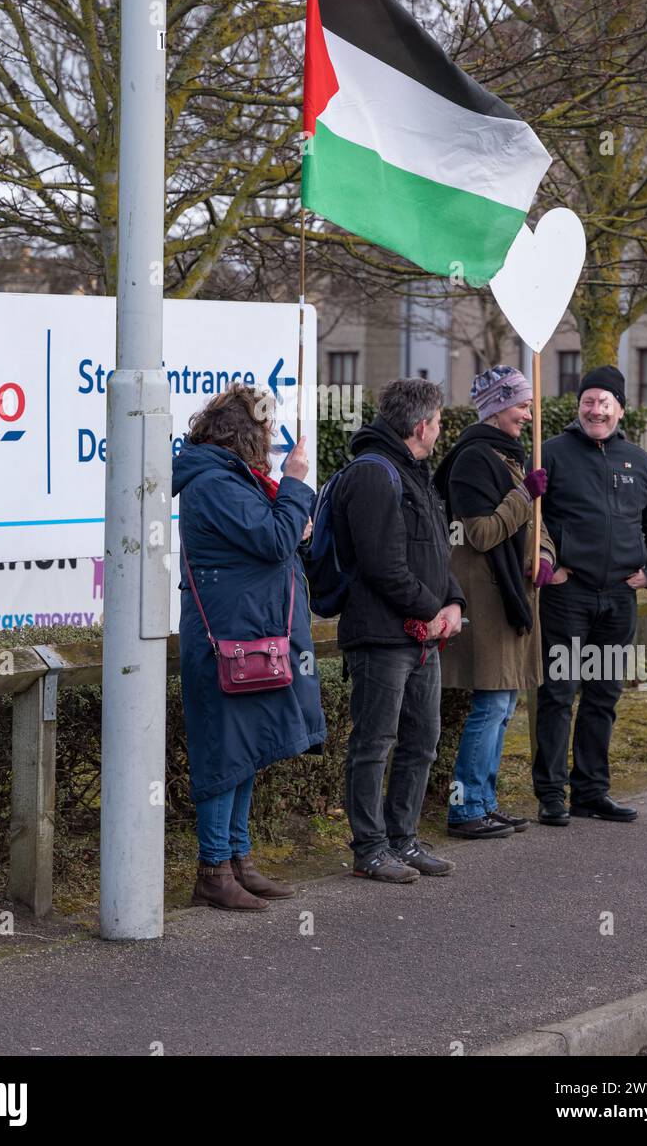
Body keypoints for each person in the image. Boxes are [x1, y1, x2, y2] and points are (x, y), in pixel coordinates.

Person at [172, 384, 325, 910]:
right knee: (224, 752)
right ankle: (214, 870)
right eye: (264, 431)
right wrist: (297, 486)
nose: (270, 441)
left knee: (244, 751)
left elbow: (274, 537)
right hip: (227, 638)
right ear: (244, 434)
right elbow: (272, 540)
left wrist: (292, 514)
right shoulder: (215, 482)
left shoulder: (226, 478)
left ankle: (238, 860)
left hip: (242, 632)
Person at [332, 378, 465, 883]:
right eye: (438, 421)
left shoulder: (417, 472)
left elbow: (434, 553)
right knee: (373, 743)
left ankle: (403, 840)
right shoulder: (373, 475)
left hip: (423, 636)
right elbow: (382, 564)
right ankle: (369, 848)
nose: (440, 430)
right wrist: (434, 609)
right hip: (382, 636)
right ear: (419, 426)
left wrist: (452, 601)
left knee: (421, 740)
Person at [533, 365, 647, 826]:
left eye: (604, 402)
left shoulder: (638, 461)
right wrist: (548, 566)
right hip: (568, 596)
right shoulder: (551, 454)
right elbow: (528, 521)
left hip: (619, 599)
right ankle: (552, 794)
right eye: (588, 401)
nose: (595, 410)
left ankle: (592, 792)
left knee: (603, 696)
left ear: (619, 407)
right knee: (558, 694)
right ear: (579, 406)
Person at [434, 366, 556, 838]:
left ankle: (484, 800)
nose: (529, 414)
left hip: (510, 593)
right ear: (496, 406)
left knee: (504, 705)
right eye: (522, 405)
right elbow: (482, 532)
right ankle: (465, 809)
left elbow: (534, 525)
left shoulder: (508, 456)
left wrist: (543, 554)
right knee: (491, 705)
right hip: (486, 598)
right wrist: (524, 494)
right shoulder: (472, 460)